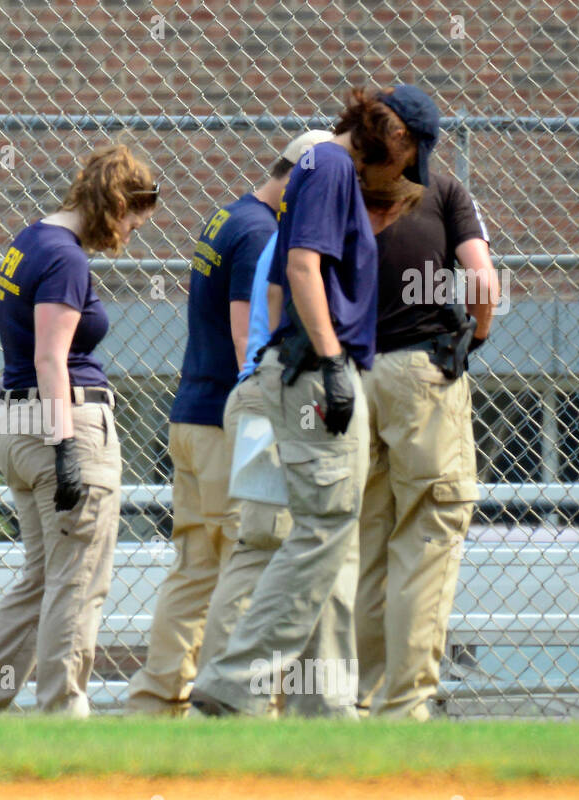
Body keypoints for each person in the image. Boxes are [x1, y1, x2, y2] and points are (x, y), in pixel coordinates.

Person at [189, 85, 439, 718]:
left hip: (294, 370)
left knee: (330, 540)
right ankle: (234, 682)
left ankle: (324, 709)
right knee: (324, 529)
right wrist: (329, 362)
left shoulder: (316, 168)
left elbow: (277, 287)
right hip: (315, 372)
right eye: (408, 160)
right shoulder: (330, 164)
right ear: (396, 137)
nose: (403, 177)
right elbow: (301, 268)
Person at [0, 144, 158, 717]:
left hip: (20, 423)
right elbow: (53, 358)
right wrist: (69, 449)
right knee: (79, 580)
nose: (129, 232)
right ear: (115, 201)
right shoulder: (66, 258)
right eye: (131, 217)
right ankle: (64, 710)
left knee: (41, 577)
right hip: (63, 422)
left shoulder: (29, 241)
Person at [126, 129, 334, 717]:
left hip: (192, 414)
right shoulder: (260, 233)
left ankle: (156, 700)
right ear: (296, 178)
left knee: (195, 568)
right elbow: (250, 337)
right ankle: (226, 699)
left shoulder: (228, 218)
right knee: (244, 561)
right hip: (225, 423)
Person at [354, 167, 500, 720]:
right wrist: (475, 336)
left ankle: (362, 701)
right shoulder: (443, 190)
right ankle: (407, 705)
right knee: (428, 537)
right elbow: (482, 281)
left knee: (369, 546)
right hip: (424, 370)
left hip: (354, 374)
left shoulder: (340, 188)